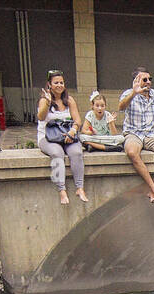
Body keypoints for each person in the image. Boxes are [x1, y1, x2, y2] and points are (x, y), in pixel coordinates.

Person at [118, 67, 154, 205]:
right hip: (133, 132)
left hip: (150, 133)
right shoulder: (128, 93)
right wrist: (134, 93)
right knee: (132, 152)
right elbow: (121, 107)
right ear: (136, 81)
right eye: (144, 79)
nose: (148, 82)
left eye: (150, 79)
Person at [38, 70, 87, 206]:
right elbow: (41, 117)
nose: (59, 85)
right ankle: (62, 190)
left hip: (67, 135)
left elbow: (77, 120)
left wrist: (73, 131)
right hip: (48, 137)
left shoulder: (69, 100)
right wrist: (47, 103)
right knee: (57, 153)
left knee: (76, 153)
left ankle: (79, 188)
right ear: (49, 85)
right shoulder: (44, 100)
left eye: (61, 82)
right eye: (56, 83)